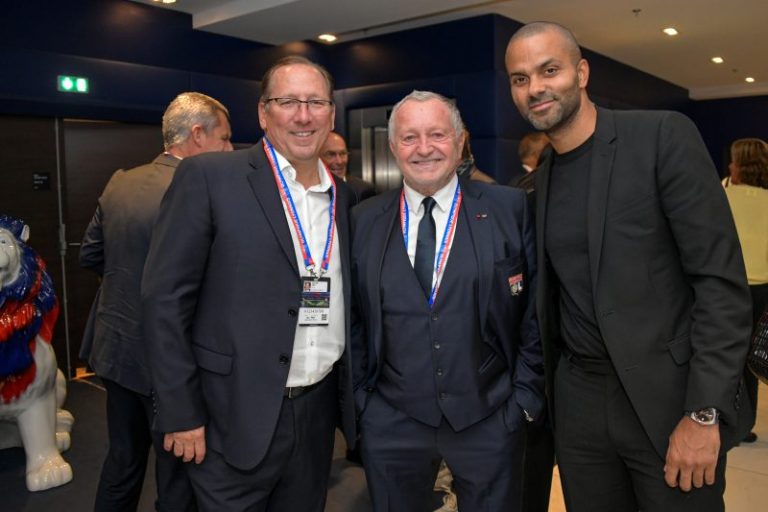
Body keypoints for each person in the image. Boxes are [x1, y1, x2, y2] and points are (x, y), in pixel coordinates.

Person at [505, 21, 752, 512]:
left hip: (669, 402)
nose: (535, 88)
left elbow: (720, 284)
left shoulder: (661, 137)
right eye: (519, 78)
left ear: (581, 72)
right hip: (579, 405)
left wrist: (704, 413)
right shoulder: (539, 184)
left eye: (548, 70)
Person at [140, 56, 356, 511]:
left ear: (331, 115)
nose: (303, 115)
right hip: (228, 416)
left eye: (316, 102)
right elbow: (164, 301)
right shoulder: (210, 178)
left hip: (317, 415)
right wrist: (180, 412)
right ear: (263, 113)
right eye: (288, 102)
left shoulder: (348, 197)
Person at [351, 90, 544, 512]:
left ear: (460, 142)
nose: (423, 149)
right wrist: (364, 406)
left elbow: (535, 312)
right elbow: (355, 321)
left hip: (490, 416)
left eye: (437, 134)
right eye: (409, 137)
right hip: (392, 421)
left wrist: (522, 403)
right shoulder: (363, 219)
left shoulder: (509, 208)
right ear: (393, 147)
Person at [80, 91, 232, 512]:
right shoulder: (202, 190)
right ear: (197, 135)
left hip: (116, 350)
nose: (229, 149)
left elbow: (90, 255)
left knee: (123, 459)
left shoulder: (120, 181)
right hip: (171, 362)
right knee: (177, 476)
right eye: (224, 138)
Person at [724, 137, 768, 444]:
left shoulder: (721, 194)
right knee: (752, 358)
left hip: (726, 285)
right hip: (762, 288)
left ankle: (727, 418)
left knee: (725, 355)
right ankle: (746, 424)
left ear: (738, 164)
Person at [321, 131, 376, 202]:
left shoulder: (363, 191)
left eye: (343, 153)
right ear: (317, 158)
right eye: (331, 154)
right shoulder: (308, 190)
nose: (339, 161)